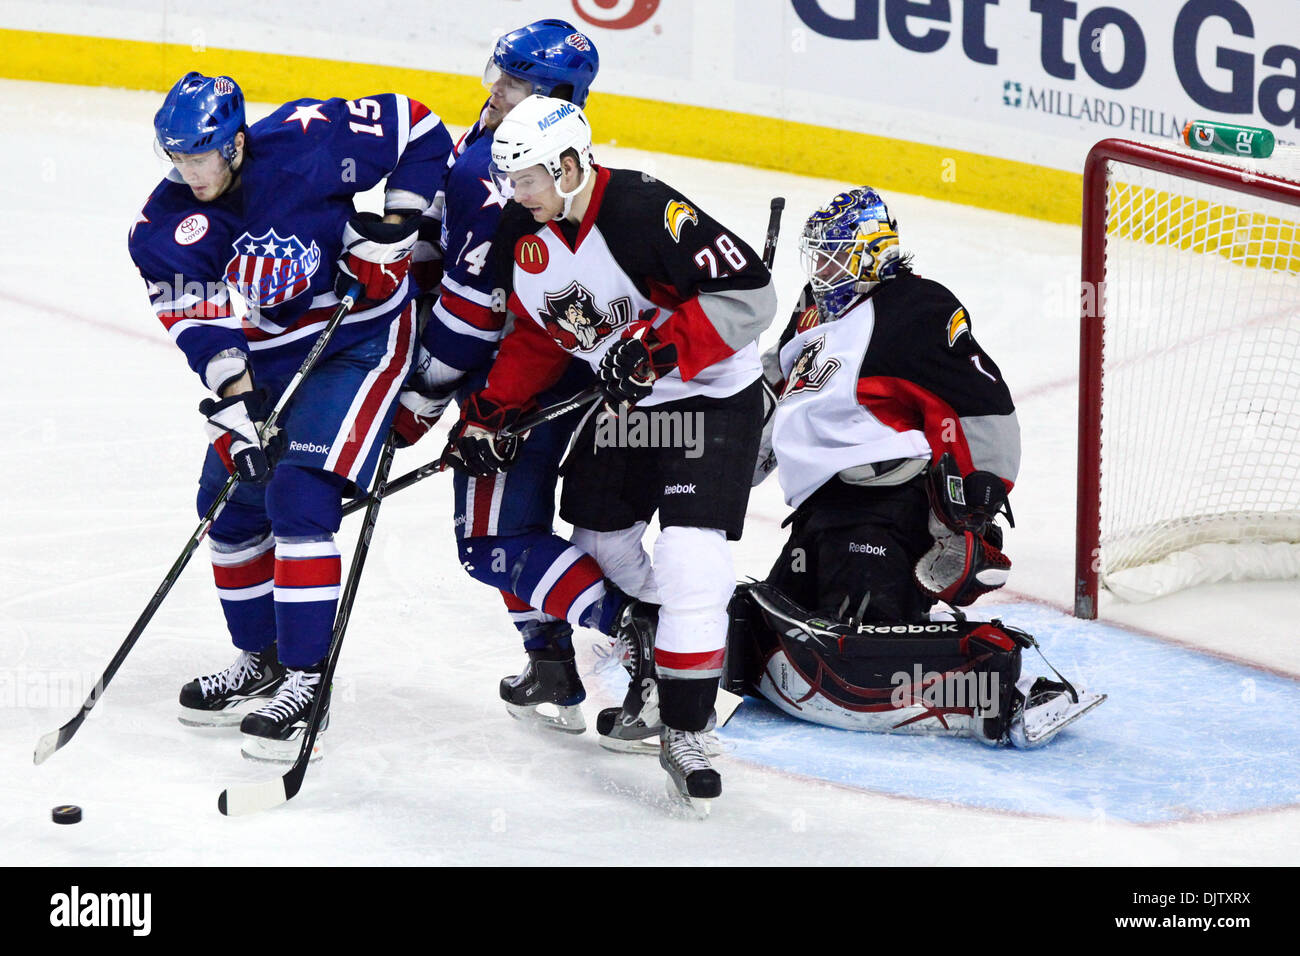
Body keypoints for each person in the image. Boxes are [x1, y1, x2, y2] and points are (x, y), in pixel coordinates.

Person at [444, 94, 775, 809]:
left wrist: (658, 351)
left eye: (528, 178)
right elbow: (539, 335)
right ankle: (661, 666)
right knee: (597, 543)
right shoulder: (523, 229)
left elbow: (750, 296)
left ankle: (687, 725)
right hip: (630, 409)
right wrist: (494, 414)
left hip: (710, 399)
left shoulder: (642, 209)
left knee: (690, 555)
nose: (516, 193)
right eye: (512, 179)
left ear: (569, 164)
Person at [128, 71, 452, 759]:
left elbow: (418, 124)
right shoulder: (164, 227)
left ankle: (307, 684)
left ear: (236, 142)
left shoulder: (311, 138)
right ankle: (261, 660)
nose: (190, 172)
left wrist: (398, 224)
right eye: (177, 158)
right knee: (225, 503)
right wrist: (237, 404)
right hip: (270, 358)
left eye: (201, 157)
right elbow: (201, 326)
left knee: (299, 496)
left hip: (361, 338)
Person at [726, 187, 1104, 747]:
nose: (823, 268)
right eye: (819, 255)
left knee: (858, 633)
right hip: (820, 509)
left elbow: (980, 399)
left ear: (872, 253)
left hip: (887, 506)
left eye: (835, 254)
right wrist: (734, 457)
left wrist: (977, 506)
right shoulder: (812, 310)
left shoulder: (915, 308)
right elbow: (783, 391)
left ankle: (996, 678)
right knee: (773, 618)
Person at [393, 19, 645, 735]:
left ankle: (645, 639)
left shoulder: (496, 170)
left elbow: (475, 315)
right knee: (516, 530)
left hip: (518, 379)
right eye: (497, 74)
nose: (495, 90)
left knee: (494, 546)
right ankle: (553, 667)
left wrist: (420, 397)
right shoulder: (517, 139)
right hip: (547, 366)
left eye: (515, 82)